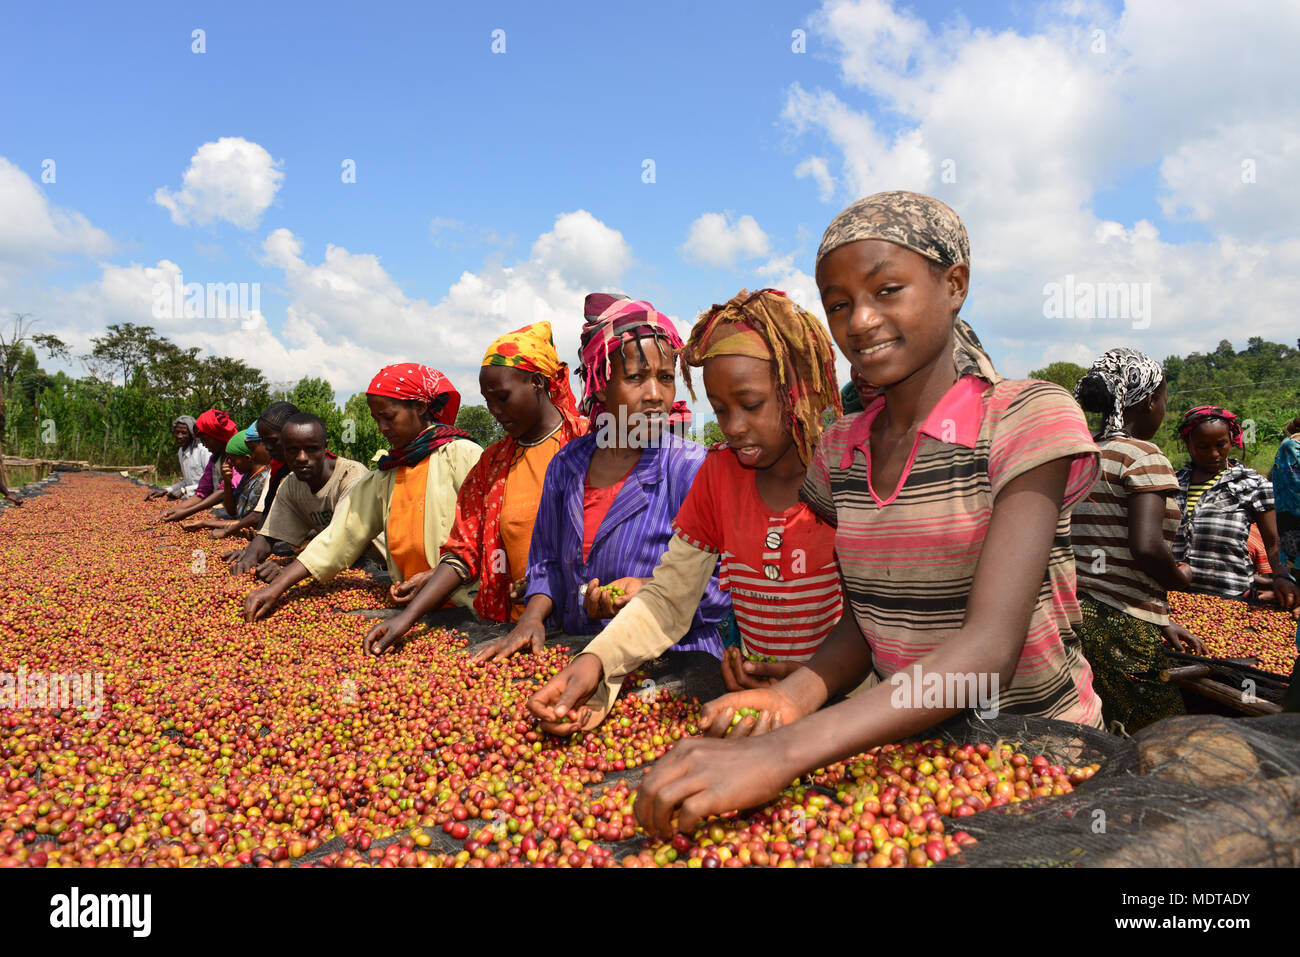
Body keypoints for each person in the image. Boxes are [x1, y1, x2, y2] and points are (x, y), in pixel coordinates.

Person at [630, 190, 1105, 836]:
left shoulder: (1026, 420)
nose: (860, 320)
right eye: (839, 303)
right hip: (911, 759)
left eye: (887, 290)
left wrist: (785, 749)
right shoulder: (838, 454)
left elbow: (986, 649)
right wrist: (792, 694)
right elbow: (867, 621)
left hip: (1042, 758)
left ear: (954, 283)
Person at [526, 288, 843, 732]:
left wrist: (810, 683)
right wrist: (597, 662)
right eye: (718, 409)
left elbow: (871, 623)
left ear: (799, 392)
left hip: (849, 704)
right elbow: (671, 596)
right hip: (750, 702)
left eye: (750, 405)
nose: (732, 427)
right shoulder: (719, 475)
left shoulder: (845, 476)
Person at [470, 294, 730, 662]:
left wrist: (650, 592)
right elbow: (546, 565)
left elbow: (727, 580)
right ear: (601, 385)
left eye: (666, 377)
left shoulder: (691, 468)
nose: (655, 395)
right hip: (581, 655)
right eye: (636, 377)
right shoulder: (567, 464)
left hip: (675, 661)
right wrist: (532, 618)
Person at [363, 322, 587, 655]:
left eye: (502, 398)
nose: (495, 411)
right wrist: (406, 619)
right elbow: (461, 553)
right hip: (510, 627)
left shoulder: (587, 444)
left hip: (582, 628)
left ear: (537, 383)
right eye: (487, 401)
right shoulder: (491, 465)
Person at [243, 365, 481, 621]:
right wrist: (276, 588)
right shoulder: (384, 476)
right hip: (412, 603)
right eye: (376, 419)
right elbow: (339, 536)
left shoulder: (461, 456)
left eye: (388, 417)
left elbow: (486, 532)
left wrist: (436, 573)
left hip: (468, 601)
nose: (382, 427)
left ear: (420, 407)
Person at [1070, 349, 1205, 734]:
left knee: (1102, 725)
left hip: (1075, 617)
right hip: (1118, 628)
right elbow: (1145, 548)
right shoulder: (1142, 456)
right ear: (1149, 401)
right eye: (1164, 399)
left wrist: (1160, 618)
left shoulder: (1080, 453)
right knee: (1162, 734)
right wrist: (1179, 578)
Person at [1173, 406, 1298, 610]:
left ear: (1232, 439)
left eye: (1221, 444)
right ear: (1188, 443)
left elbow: (1273, 542)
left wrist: (1282, 576)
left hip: (1232, 600)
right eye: (1203, 447)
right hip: (1176, 599)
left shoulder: (1251, 483)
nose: (1214, 453)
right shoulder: (1172, 483)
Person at [226, 413, 367, 581]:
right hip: (332, 566)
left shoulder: (351, 476)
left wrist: (287, 573)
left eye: (311, 449)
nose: (301, 458)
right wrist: (249, 558)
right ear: (284, 450)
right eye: (292, 450)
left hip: (370, 566)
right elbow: (269, 535)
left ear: (325, 446)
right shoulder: (291, 484)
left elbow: (342, 540)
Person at [182, 428, 271, 536]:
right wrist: (227, 483)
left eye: (233, 460)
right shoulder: (247, 477)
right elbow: (232, 511)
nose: (231, 465)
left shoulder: (263, 480)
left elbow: (251, 521)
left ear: (247, 458)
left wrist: (211, 525)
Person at [159, 409, 242, 523]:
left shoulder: (238, 459)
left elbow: (221, 493)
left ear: (217, 437)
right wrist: (173, 510)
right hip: (230, 514)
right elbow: (202, 492)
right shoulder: (214, 459)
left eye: (206, 440)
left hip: (244, 515)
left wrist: (186, 512)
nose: (203, 444)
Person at [145, 415, 210, 502]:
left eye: (184, 433)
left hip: (207, 499)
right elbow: (187, 482)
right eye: (177, 432)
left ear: (192, 434)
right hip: (193, 499)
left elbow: (210, 483)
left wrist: (184, 491)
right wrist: (166, 490)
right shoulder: (181, 452)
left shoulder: (203, 450)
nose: (179, 436)